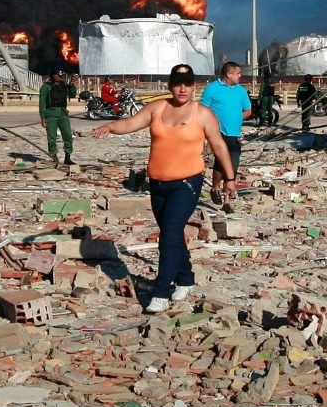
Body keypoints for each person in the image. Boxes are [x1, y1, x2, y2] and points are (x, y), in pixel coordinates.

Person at [91, 63, 235, 313]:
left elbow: (220, 146)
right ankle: (186, 278)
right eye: (178, 84)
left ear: (194, 87)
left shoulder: (202, 114)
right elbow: (130, 123)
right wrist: (110, 127)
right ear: (170, 85)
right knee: (172, 234)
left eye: (188, 84)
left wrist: (230, 178)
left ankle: (161, 292)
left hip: (186, 184)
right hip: (157, 185)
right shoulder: (157, 108)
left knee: (168, 235)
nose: (182, 89)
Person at [200, 61, 253, 205]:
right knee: (220, 165)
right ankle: (215, 188)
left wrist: (236, 117)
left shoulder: (241, 91)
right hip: (217, 133)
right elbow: (202, 111)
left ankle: (227, 202)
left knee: (233, 167)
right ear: (228, 74)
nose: (240, 76)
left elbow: (248, 111)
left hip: (234, 134)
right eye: (238, 73)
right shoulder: (212, 89)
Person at [39, 69, 75, 166]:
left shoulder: (63, 85)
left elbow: (72, 94)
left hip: (63, 113)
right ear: (53, 75)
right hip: (51, 114)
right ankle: (54, 156)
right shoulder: (46, 87)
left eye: (62, 75)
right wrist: (43, 117)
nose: (60, 76)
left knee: (67, 135)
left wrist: (71, 84)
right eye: (58, 75)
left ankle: (68, 157)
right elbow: (42, 103)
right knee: (52, 137)